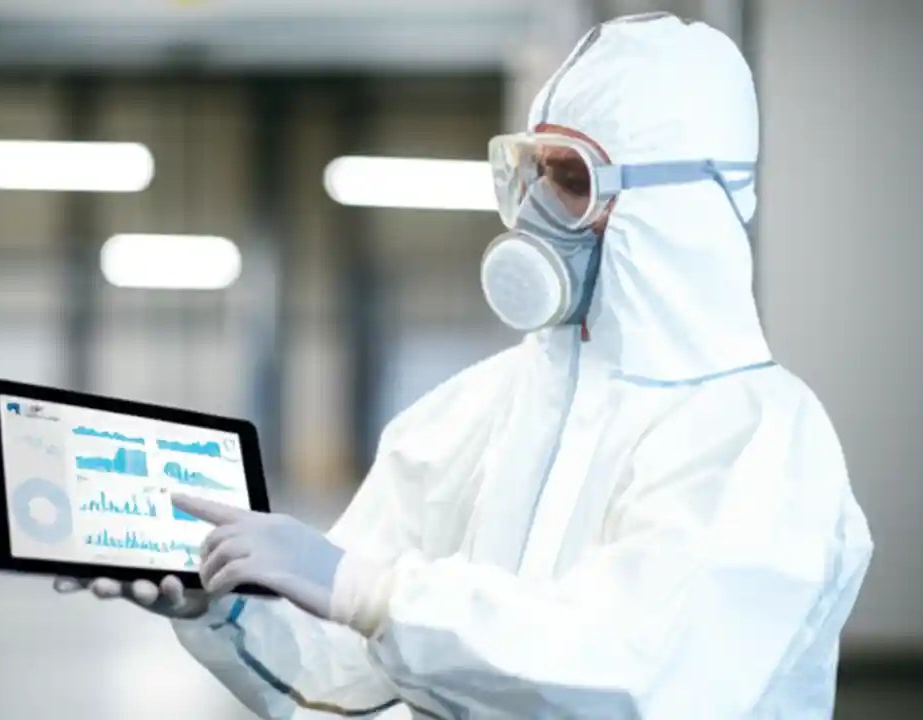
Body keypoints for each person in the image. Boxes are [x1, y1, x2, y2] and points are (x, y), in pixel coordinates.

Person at [56, 13, 873, 719]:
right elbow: (346, 672)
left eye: (571, 178)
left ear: (680, 205)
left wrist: (373, 590)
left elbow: (634, 677)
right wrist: (227, 604)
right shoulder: (468, 414)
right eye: (531, 170)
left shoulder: (762, 441)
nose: (536, 210)